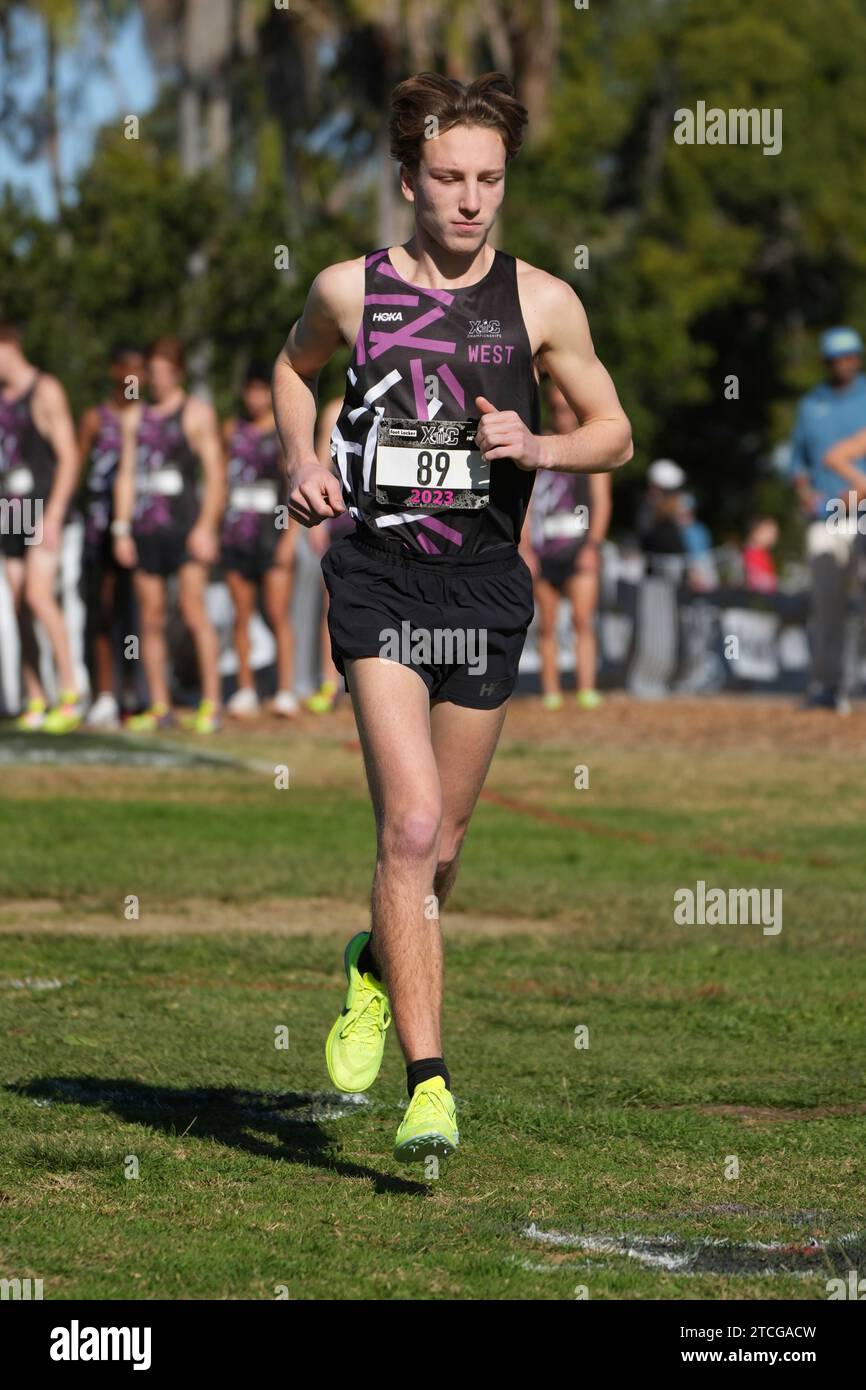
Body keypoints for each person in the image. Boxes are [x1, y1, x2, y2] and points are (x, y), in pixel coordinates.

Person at [272, 71, 632, 1165]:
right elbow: (292, 372)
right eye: (446, 178)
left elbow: (611, 430)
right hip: (379, 577)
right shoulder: (348, 291)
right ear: (406, 179)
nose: (469, 200)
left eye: (488, 180)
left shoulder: (541, 303)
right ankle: (429, 1085)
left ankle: (376, 961)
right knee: (412, 824)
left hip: (484, 586)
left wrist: (541, 447)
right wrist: (300, 459)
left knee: (445, 851)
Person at [112, 337, 224, 733]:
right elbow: (126, 474)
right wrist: (121, 529)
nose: (154, 379)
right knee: (151, 619)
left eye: (161, 372)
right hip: (145, 529)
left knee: (194, 611)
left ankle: (211, 703)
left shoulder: (196, 413)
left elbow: (215, 475)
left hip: (185, 527)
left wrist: (207, 526)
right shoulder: (133, 417)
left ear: (176, 372)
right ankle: (160, 705)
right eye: (150, 371)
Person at [0, 320, 83, 732]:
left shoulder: (45, 389)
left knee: (37, 596)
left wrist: (52, 514)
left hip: (43, 509)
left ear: (9, 344)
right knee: (17, 606)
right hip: (11, 511)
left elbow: (69, 456)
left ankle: (70, 690)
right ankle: (36, 696)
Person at [789, 326, 866, 712]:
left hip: (864, 514)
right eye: (835, 358)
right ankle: (827, 687)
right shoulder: (810, 404)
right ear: (826, 362)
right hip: (826, 518)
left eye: (848, 356)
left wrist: (855, 493)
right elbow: (801, 462)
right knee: (828, 604)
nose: (843, 364)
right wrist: (806, 495)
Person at [525, 379, 612, 710]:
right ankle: (551, 694)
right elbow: (529, 503)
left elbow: (602, 502)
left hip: (579, 547)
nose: (562, 414)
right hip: (545, 548)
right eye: (557, 408)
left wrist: (593, 545)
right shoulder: (538, 445)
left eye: (568, 407)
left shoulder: (593, 445)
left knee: (582, 620)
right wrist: (526, 548)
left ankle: (586, 690)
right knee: (546, 624)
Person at [222, 366, 298, 718]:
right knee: (241, 615)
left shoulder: (282, 434)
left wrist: (290, 536)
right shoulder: (231, 431)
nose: (253, 398)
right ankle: (246, 689)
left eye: (259, 391)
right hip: (237, 532)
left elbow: (293, 487)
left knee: (278, 613)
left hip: (272, 532)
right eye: (248, 391)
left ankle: (285, 690)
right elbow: (221, 483)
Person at [77, 346, 146, 728]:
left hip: (144, 529)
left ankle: (134, 691)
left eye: (140, 370)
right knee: (103, 612)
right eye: (128, 369)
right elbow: (76, 465)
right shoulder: (95, 418)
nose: (133, 378)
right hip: (100, 529)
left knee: (136, 616)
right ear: (114, 371)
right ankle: (105, 693)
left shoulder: (148, 420)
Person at [305, 395, 352, 713]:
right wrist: (316, 523)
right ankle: (329, 683)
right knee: (333, 603)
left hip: (383, 523)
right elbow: (322, 463)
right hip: (341, 519)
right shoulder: (335, 408)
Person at [742, 517, 779, 594]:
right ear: (755, 533)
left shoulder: (764, 554)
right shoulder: (752, 554)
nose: (773, 537)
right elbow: (756, 581)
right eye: (769, 532)